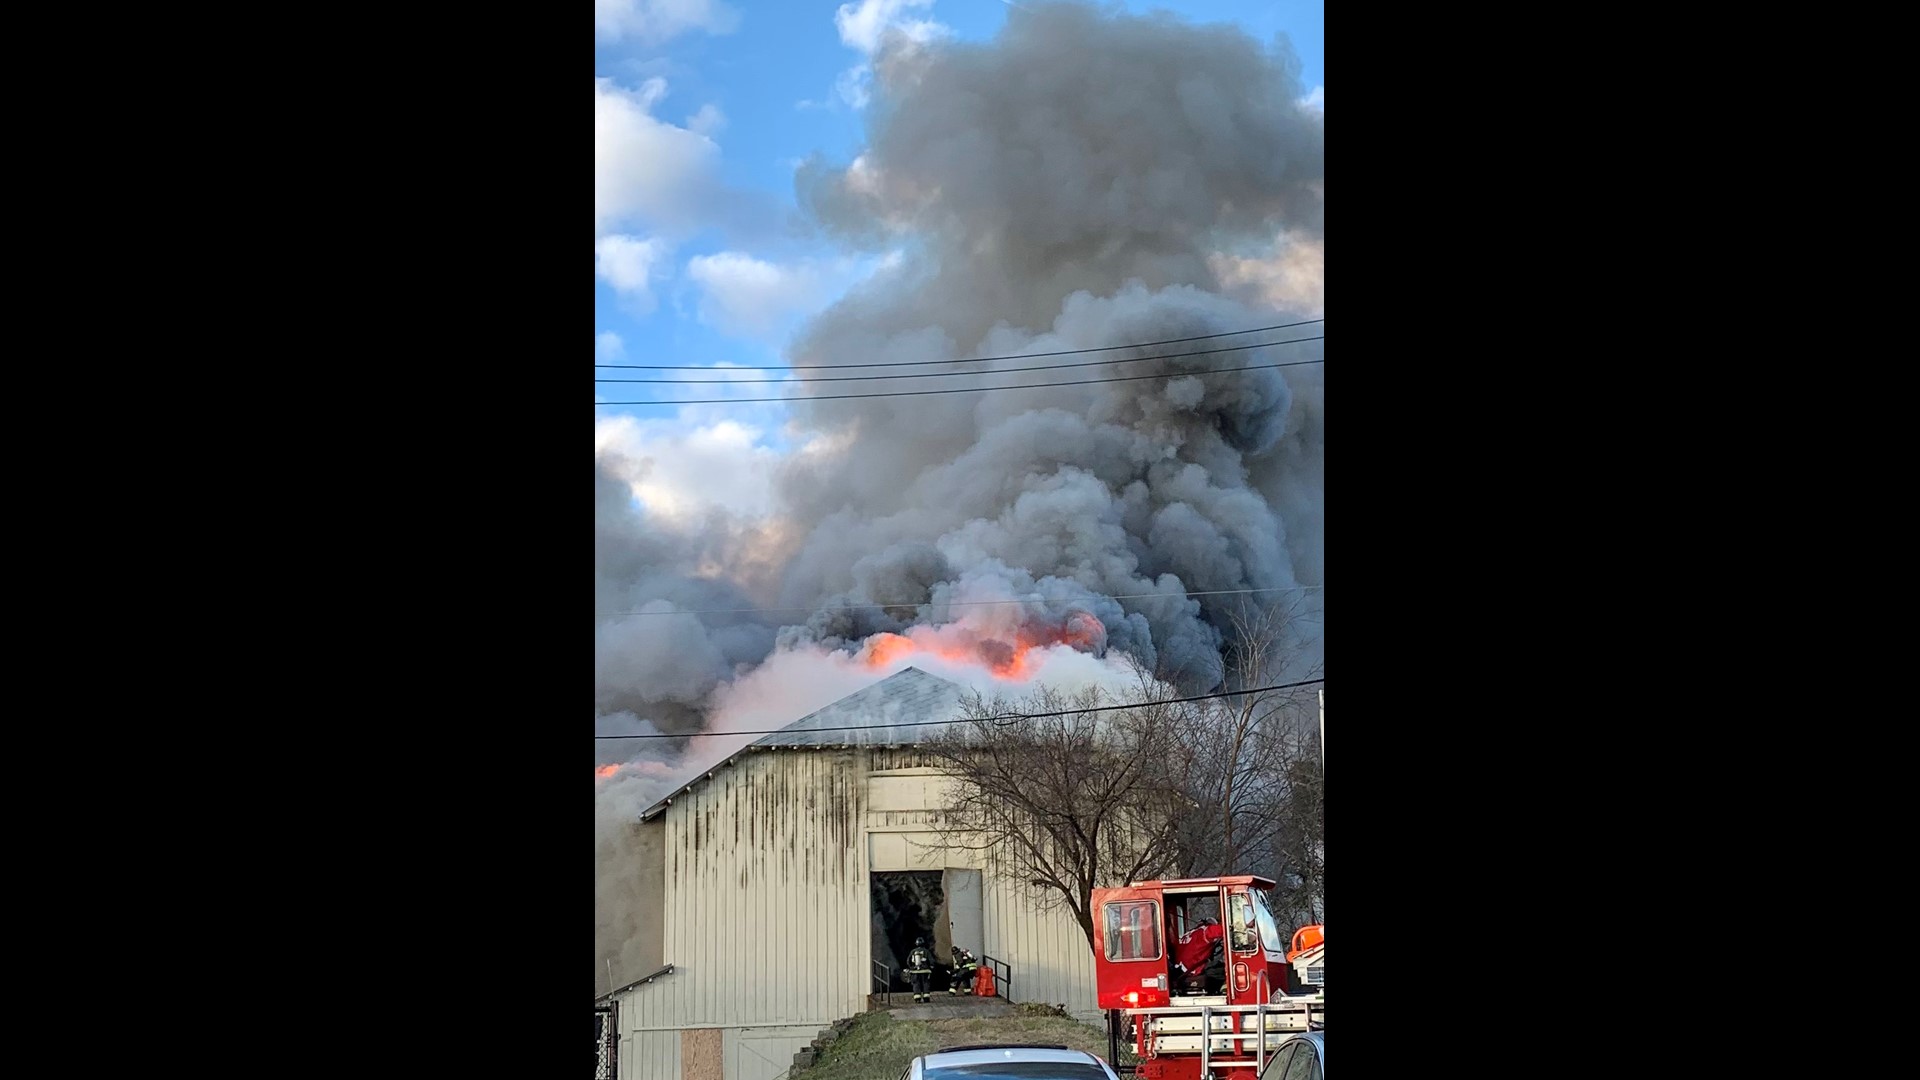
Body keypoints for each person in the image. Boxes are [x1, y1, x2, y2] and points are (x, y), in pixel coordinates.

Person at [1172, 918, 1225, 994]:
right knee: (1227, 969)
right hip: (1193, 969)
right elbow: (1223, 929)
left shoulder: (1191, 932)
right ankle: (1224, 990)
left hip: (1181, 968)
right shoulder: (1205, 931)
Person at [907, 937, 934, 1003]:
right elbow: (931, 960)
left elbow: (908, 961)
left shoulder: (912, 951)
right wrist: (931, 966)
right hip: (925, 971)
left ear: (916, 944)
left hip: (915, 971)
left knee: (916, 984)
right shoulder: (926, 951)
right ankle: (926, 998)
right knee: (926, 983)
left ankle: (917, 998)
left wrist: (911, 967)